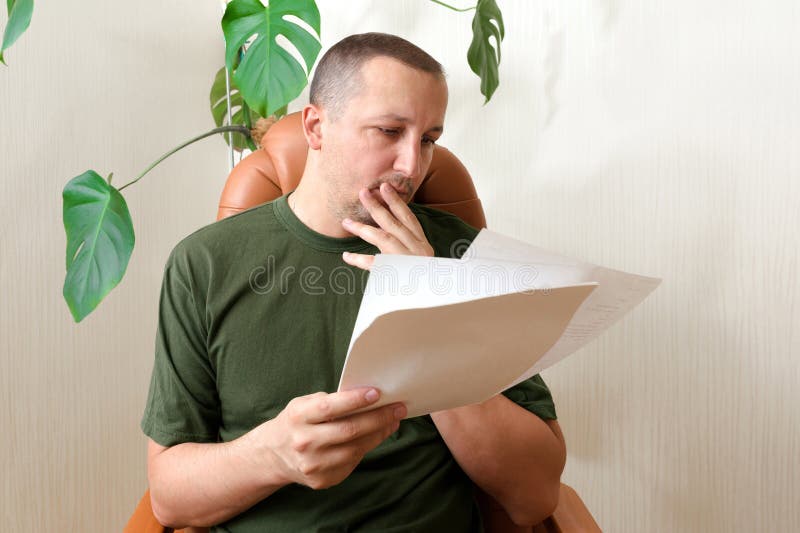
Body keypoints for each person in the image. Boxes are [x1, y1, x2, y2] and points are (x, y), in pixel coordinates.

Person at [141, 32, 566, 532]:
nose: (413, 165)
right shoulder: (204, 264)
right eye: (389, 131)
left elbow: (535, 496)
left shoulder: (465, 258)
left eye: (428, 139)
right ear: (316, 126)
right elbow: (169, 499)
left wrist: (428, 314)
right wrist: (273, 454)